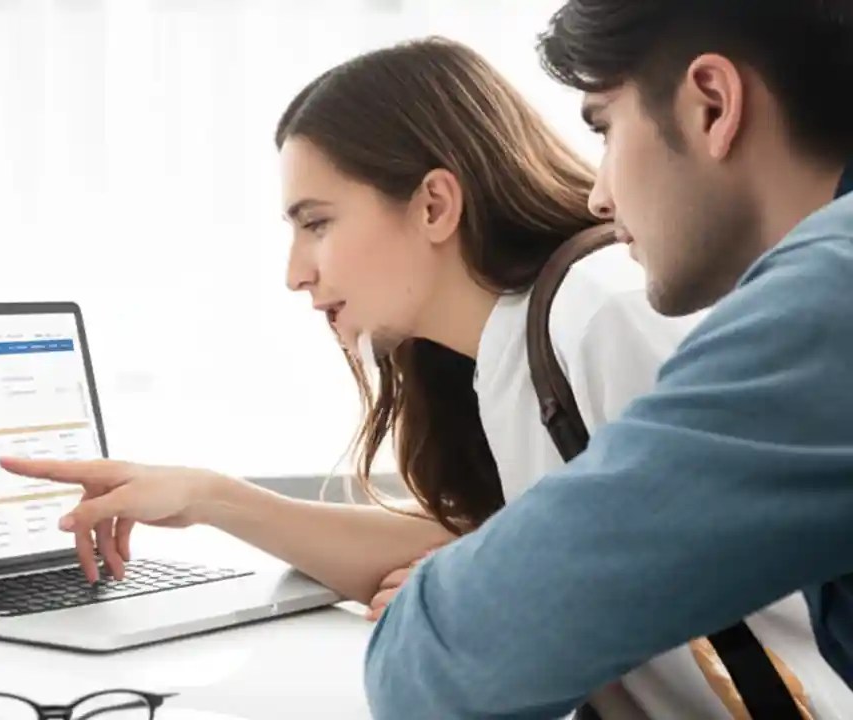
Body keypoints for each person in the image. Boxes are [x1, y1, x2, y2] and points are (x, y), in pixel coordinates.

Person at [0, 37, 851, 716]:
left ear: (436, 205)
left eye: (317, 223)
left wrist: (453, 598)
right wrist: (207, 497)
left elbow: (589, 577)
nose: (296, 271)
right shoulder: (512, 350)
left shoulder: (594, 308)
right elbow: (516, 553)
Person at [357, 1, 853, 718]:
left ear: (711, 105)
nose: (597, 194)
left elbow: (439, 664)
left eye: (604, 129)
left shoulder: (826, 300)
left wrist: (476, 584)